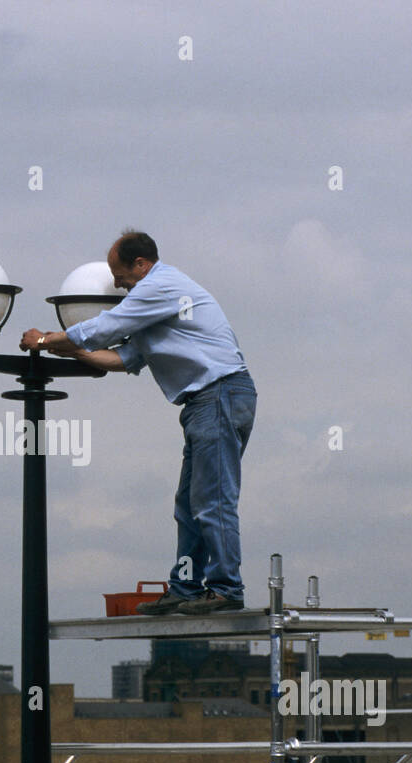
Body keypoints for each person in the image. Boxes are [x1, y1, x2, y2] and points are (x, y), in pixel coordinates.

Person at [19, 230, 257, 614]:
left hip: (220, 394)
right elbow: (122, 358)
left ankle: (227, 587)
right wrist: (70, 349)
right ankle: (187, 587)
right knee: (189, 504)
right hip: (208, 401)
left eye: (120, 276)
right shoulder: (154, 312)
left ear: (141, 265)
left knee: (212, 499)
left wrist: (47, 342)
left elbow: (105, 328)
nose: (118, 285)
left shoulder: (160, 287)